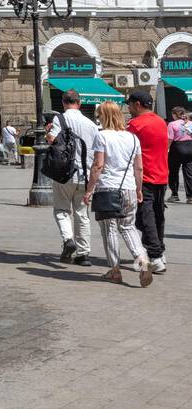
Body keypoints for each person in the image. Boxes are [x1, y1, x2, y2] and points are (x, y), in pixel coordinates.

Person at [82, 101, 152, 287]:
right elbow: (139, 167)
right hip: (128, 187)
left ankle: (115, 270)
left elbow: (98, 165)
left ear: (102, 116)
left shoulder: (102, 136)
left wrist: (89, 190)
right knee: (128, 227)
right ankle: (142, 259)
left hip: (108, 189)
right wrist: (138, 189)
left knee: (110, 229)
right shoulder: (132, 138)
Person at [45, 89, 98, 266]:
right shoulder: (91, 124)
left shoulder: (59, 119)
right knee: (82, 215)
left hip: (65, 174)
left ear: (63, 103)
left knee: (61, 209)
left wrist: (47, 133)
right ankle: (83, 255)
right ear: (80, 103)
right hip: (86, 174)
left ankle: (68, 239)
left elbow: (52, 140)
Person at [126, 91, 169, 275]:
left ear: (137, 104)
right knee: (158, 215)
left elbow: (127, 149)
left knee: (145, 217)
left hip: (144, 176)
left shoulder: (135, 125)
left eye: (129, 105)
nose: (128, 108)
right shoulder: (161, 121)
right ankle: (159, 250)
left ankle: (156, 256)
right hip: (162, 175)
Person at [167, 106, 192, 203]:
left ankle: (174, 194)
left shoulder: (172, 124)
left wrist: (167, 149)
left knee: (173, 171)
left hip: (177, 147)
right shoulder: (190, 123)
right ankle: (190, 197)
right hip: (190, 147)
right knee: (189, 173)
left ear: (174, 114)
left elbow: (170, 138)